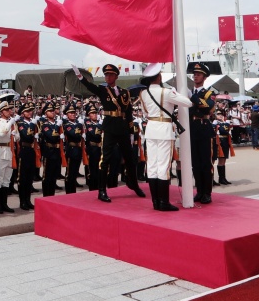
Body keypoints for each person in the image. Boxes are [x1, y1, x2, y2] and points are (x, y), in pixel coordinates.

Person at [74, 64, 145, 202]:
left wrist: (131, 131)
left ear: (116, 76)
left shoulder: (125, 92)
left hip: (123, 127)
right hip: (109, 127)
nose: (108, 77)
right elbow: (90, 86)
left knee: (130, 158)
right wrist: (80, 77)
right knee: (105, 159)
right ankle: (101, 190)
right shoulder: (102, 90)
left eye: (110, 75)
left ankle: (134, 184)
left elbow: (128, 112)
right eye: (106, 75)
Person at [138, 63, 192, 211]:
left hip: (150, 129)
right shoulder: (166, 92)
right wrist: (175, 92)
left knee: (152, 166)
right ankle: (164, 202)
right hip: (164, 129)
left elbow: (145, 112)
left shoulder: (143, 94)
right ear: (159, 76)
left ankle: (155, 202)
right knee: (163, 166)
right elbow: (188, 102)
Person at [189, 63, 216, 205]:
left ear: (204, 77)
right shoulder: (188, 91)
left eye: (198, 74)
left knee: (206, 163)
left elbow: (207, 107)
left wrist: (192, 97)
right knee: (195, 163)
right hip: (192, 128)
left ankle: (207, 192)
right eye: (194, 74)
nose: (195, 76)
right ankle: (199, 191)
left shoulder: (208, 93)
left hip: (203, 128)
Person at [0, 101, 17, 213]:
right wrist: (10, 123)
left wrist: (15, 135)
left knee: (7, 180)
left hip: (10, 151)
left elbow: (17, 137)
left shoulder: (11, 122)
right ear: (1, 112)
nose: (9, 112)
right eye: (7, 110)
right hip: (1, 151)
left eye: (9, 110)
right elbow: (1, 133)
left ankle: (4, 204)